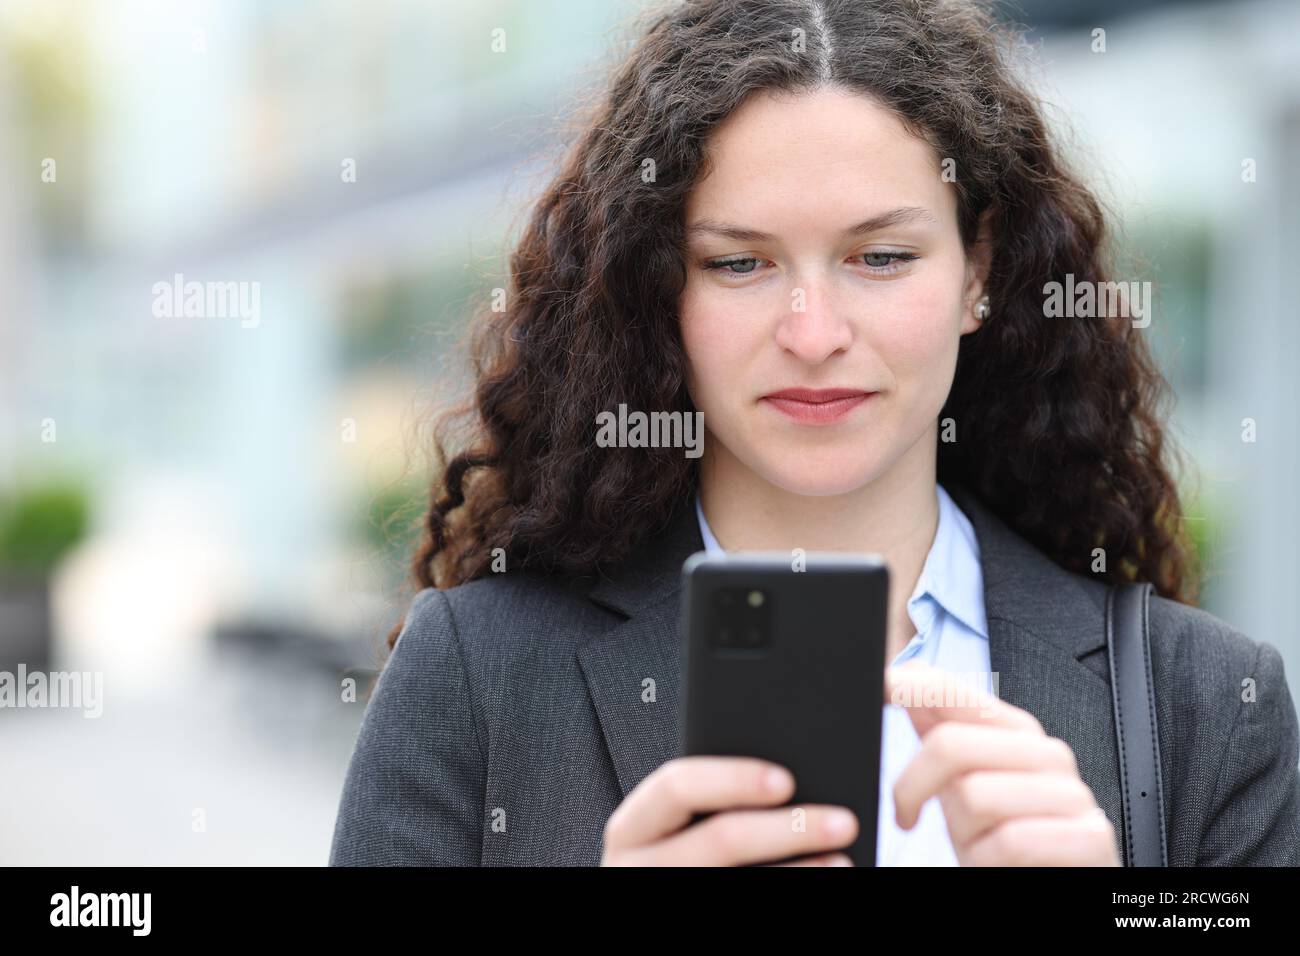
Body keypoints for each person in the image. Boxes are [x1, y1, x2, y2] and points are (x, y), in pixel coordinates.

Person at [329, 0, 1300, 866]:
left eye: (879, 256)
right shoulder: (476, 672)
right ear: (657, 283)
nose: (812, 332)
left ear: (978, 271)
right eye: (739, 264)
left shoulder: (1208, 708)